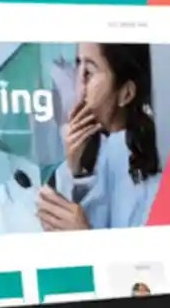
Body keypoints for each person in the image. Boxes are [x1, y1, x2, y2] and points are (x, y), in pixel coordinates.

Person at [38, 43, 161, 231]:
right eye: (77, 65)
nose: (79, 83)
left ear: (126, 94)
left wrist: (84, 235)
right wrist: (73, 170)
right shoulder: (78, 158)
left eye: (88, 71)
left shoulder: (151, 175)